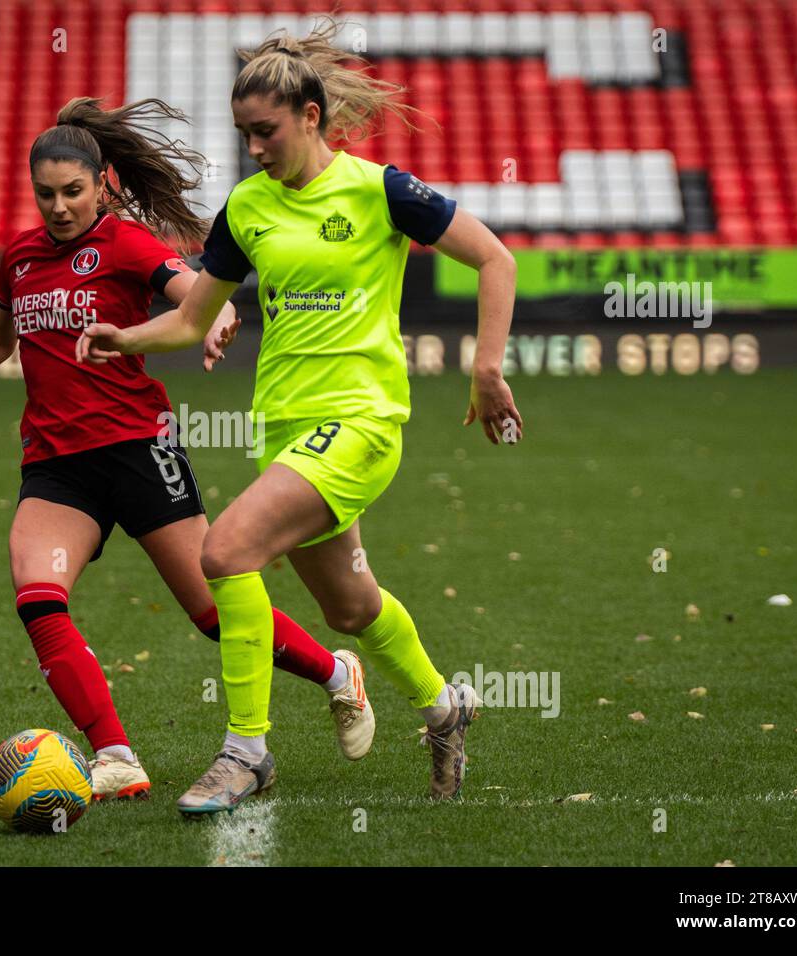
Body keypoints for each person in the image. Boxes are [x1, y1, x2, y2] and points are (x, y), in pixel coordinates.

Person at [0, 95, 375, 802]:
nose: (60, 206)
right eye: (46, 194)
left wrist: (219, 313)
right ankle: (115, 754)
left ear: (103, 183)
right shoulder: (19, 255)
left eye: (73, 191)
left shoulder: (126, 243)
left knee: (210, 612)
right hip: (55, 463)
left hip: (139, 448)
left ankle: (335, 673)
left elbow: (194, 290)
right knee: (38, 596)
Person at [78, 19, 523, 815]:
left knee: (226, 551)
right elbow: (190, 320)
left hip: (361, 423)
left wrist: (486, 368)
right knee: (352, 608)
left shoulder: (381, 190)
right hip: (285, 431)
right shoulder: (246, 209)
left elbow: (496, 257)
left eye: (266, 130)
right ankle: (445, 706)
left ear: (311, 116)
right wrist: (127, 335)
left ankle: (245, 751)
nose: (254, 147)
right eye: (244, 133)